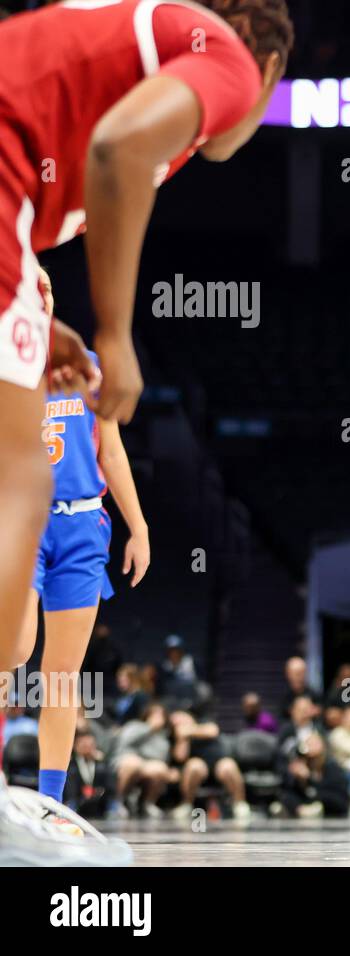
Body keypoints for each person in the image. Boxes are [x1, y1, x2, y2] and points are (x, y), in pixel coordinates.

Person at [0, 0, 291, 864]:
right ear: (268, 69)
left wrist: (33, 322)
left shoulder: (139, 36)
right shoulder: (230, 61)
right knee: (20, 483)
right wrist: (118, 335)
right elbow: (116, 149)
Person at [2, 268, 150, 831]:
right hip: (23, 521)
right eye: (25, 290)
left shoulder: (87, 365)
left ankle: (51, 804)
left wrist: (138, 526)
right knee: (14, 651)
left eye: (43, 289)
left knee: (62, 676)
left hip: (83, 527)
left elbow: (111, 451)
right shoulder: (6, 368)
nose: (37, 298)